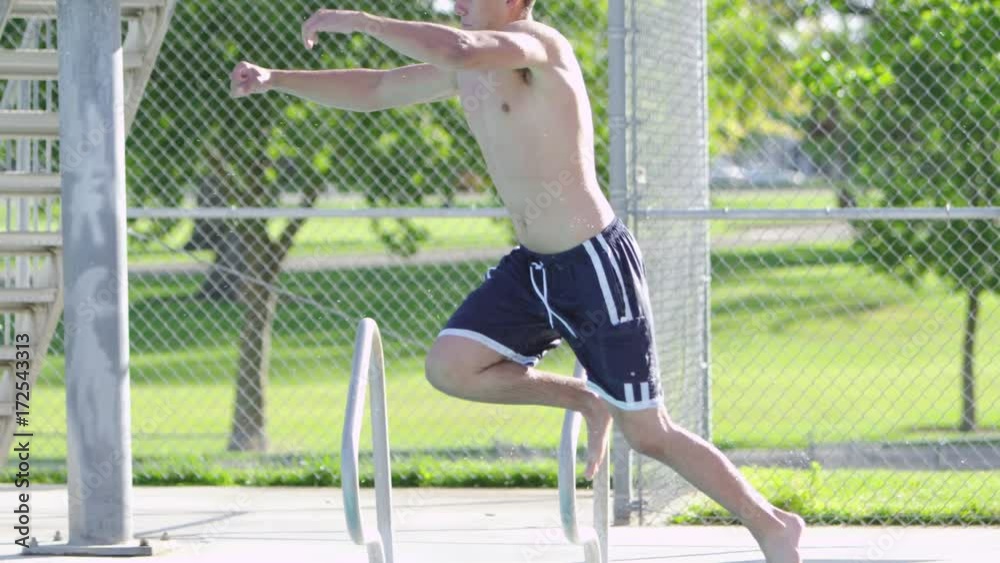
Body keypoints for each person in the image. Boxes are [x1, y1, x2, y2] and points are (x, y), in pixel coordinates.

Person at [230, 1, 804, 560]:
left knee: (650, 434)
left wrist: (358, 20)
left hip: (593, 264)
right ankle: (584, 399)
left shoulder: (540, 45)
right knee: (450, 367)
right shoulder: (467, 75)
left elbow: (457, 46)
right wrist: (276, 78)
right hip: (532, 269)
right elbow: (378, 89)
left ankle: (774, 525)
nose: (455, 3)